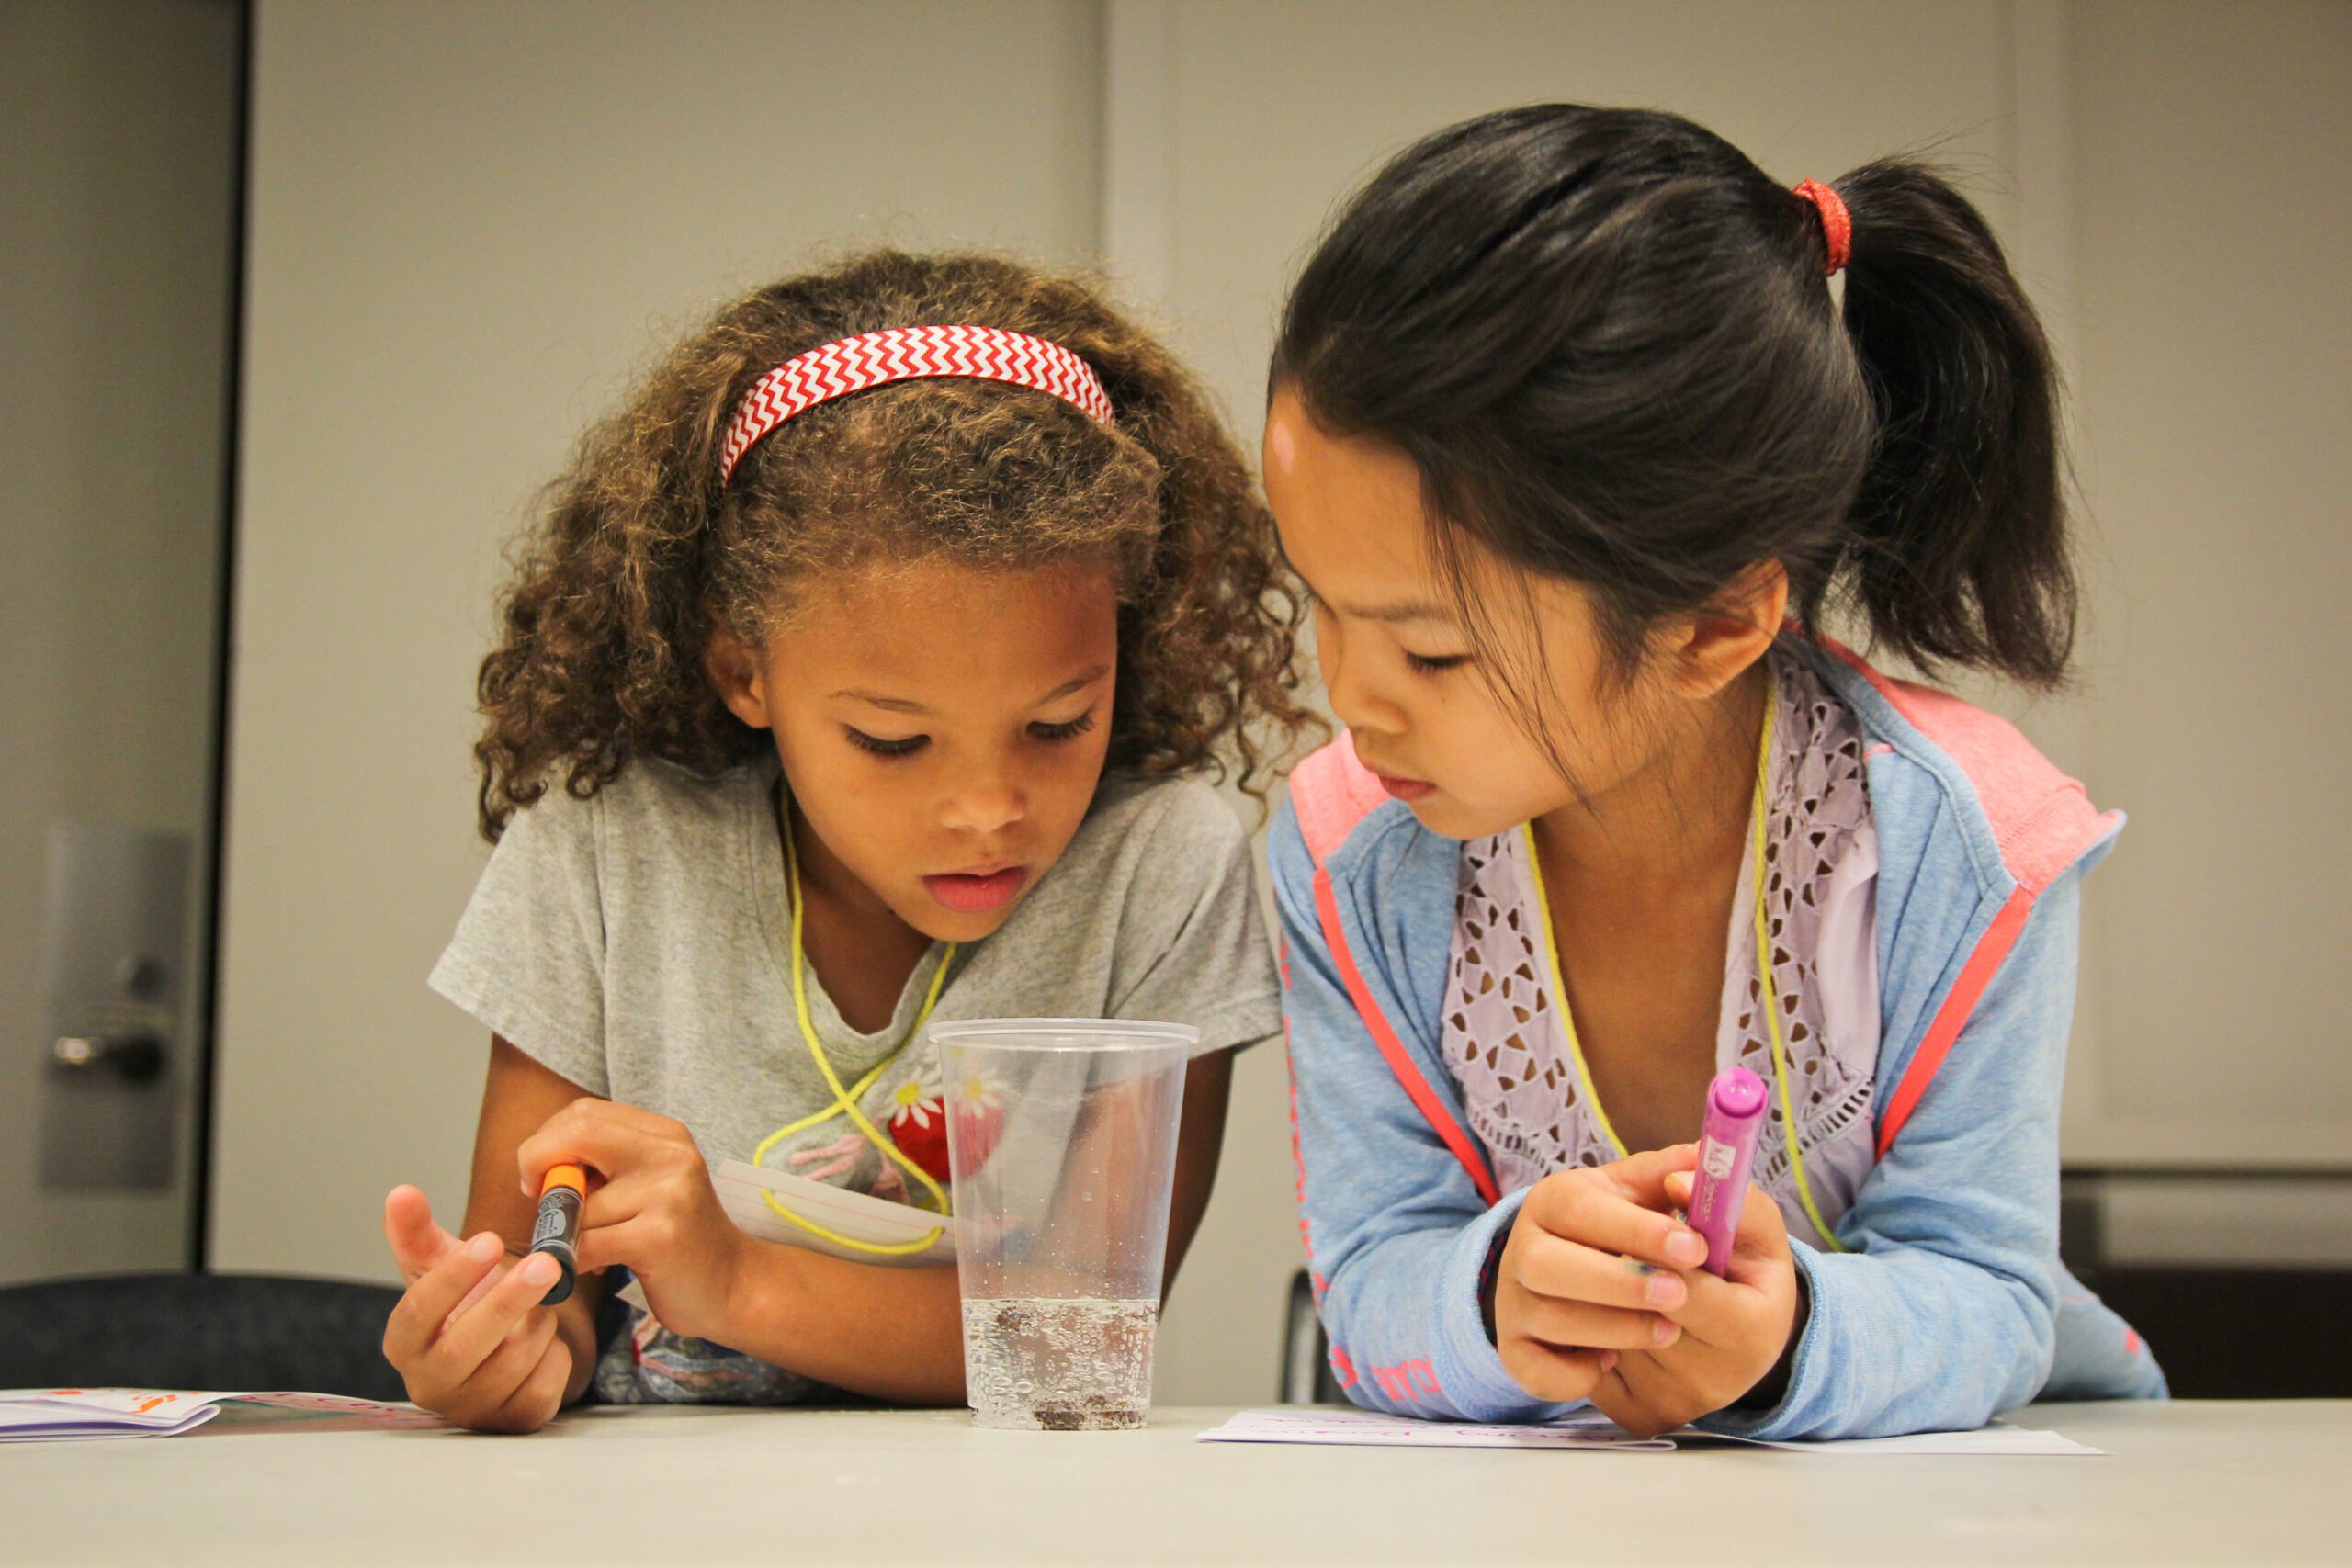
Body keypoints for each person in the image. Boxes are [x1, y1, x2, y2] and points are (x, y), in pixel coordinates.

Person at [1266, 105, 2165, 1438]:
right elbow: (1374, 1270)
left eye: (1433, 649)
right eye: (1320, 601)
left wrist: (1791, 1337)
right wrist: (1494, 1294)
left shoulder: (1969, 847)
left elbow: (1989, 1291)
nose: (1348, 693)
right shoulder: (1350, 849)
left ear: (1711, 625)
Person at [379, 250, 1311, 1431]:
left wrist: (735, 1279)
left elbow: (1077, 1341)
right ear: (742, 668)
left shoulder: (1163, 869)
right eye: (890, 741)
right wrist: (496, 1348)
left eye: (1057, 723)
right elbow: (541, 1299)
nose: (986, 809)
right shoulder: (606, 854)